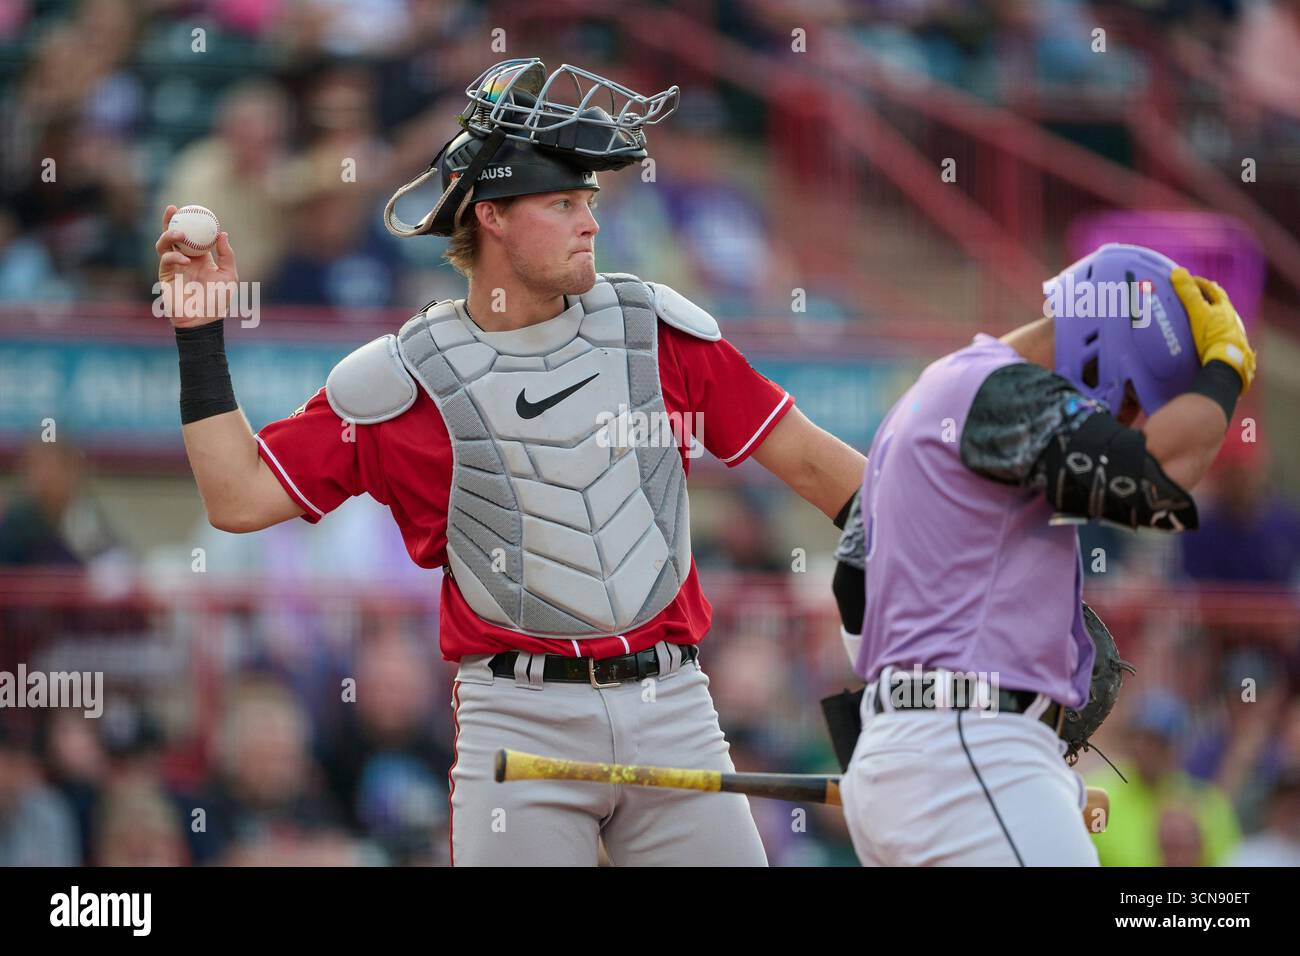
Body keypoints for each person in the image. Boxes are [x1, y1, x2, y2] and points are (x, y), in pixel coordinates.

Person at [154, 58, 865, 866]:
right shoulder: (405, 378)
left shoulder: (655, 330)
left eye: (589, 201)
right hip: (515, 717)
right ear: (490, 216)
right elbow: (237, 497)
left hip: (676, 707)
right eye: (563, 203)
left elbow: (829, 476)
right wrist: (198, 333)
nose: (590, 222)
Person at [832, 242, 1257, 865]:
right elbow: (1157, 475)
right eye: (1138, 397)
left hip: (907, 756)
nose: (1133, 418)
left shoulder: (926, 399)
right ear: (1104, 338)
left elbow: (852, 595)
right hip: (972, 750)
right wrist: (1225, 365)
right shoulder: (1000, 389)